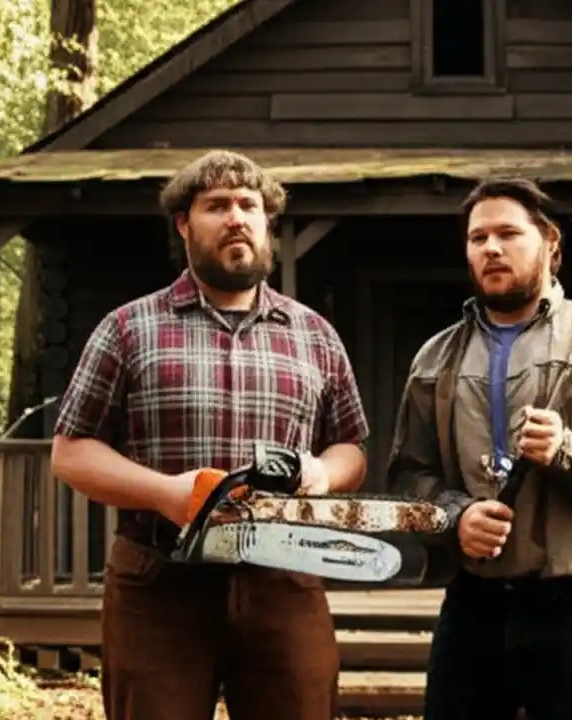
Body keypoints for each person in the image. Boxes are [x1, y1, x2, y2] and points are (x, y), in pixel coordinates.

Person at [50, 149, 369, 720]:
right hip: (158, 583)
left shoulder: (315, 335)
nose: (236, 217)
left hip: (284, 578)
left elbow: (351, 447)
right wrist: (167, 493)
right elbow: (71, 453)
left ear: (267, 222)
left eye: (249, 205)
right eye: (216, 205)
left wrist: (323, 472)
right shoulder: (127, 328)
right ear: (184, 223)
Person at [385, 177, 572, 719]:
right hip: (473, 602)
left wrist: (569, 450)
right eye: (478, 238)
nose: (491, 248)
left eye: (508, 234)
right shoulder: (434, 359)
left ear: (551, 243)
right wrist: (458, 516)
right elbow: (408, 476)